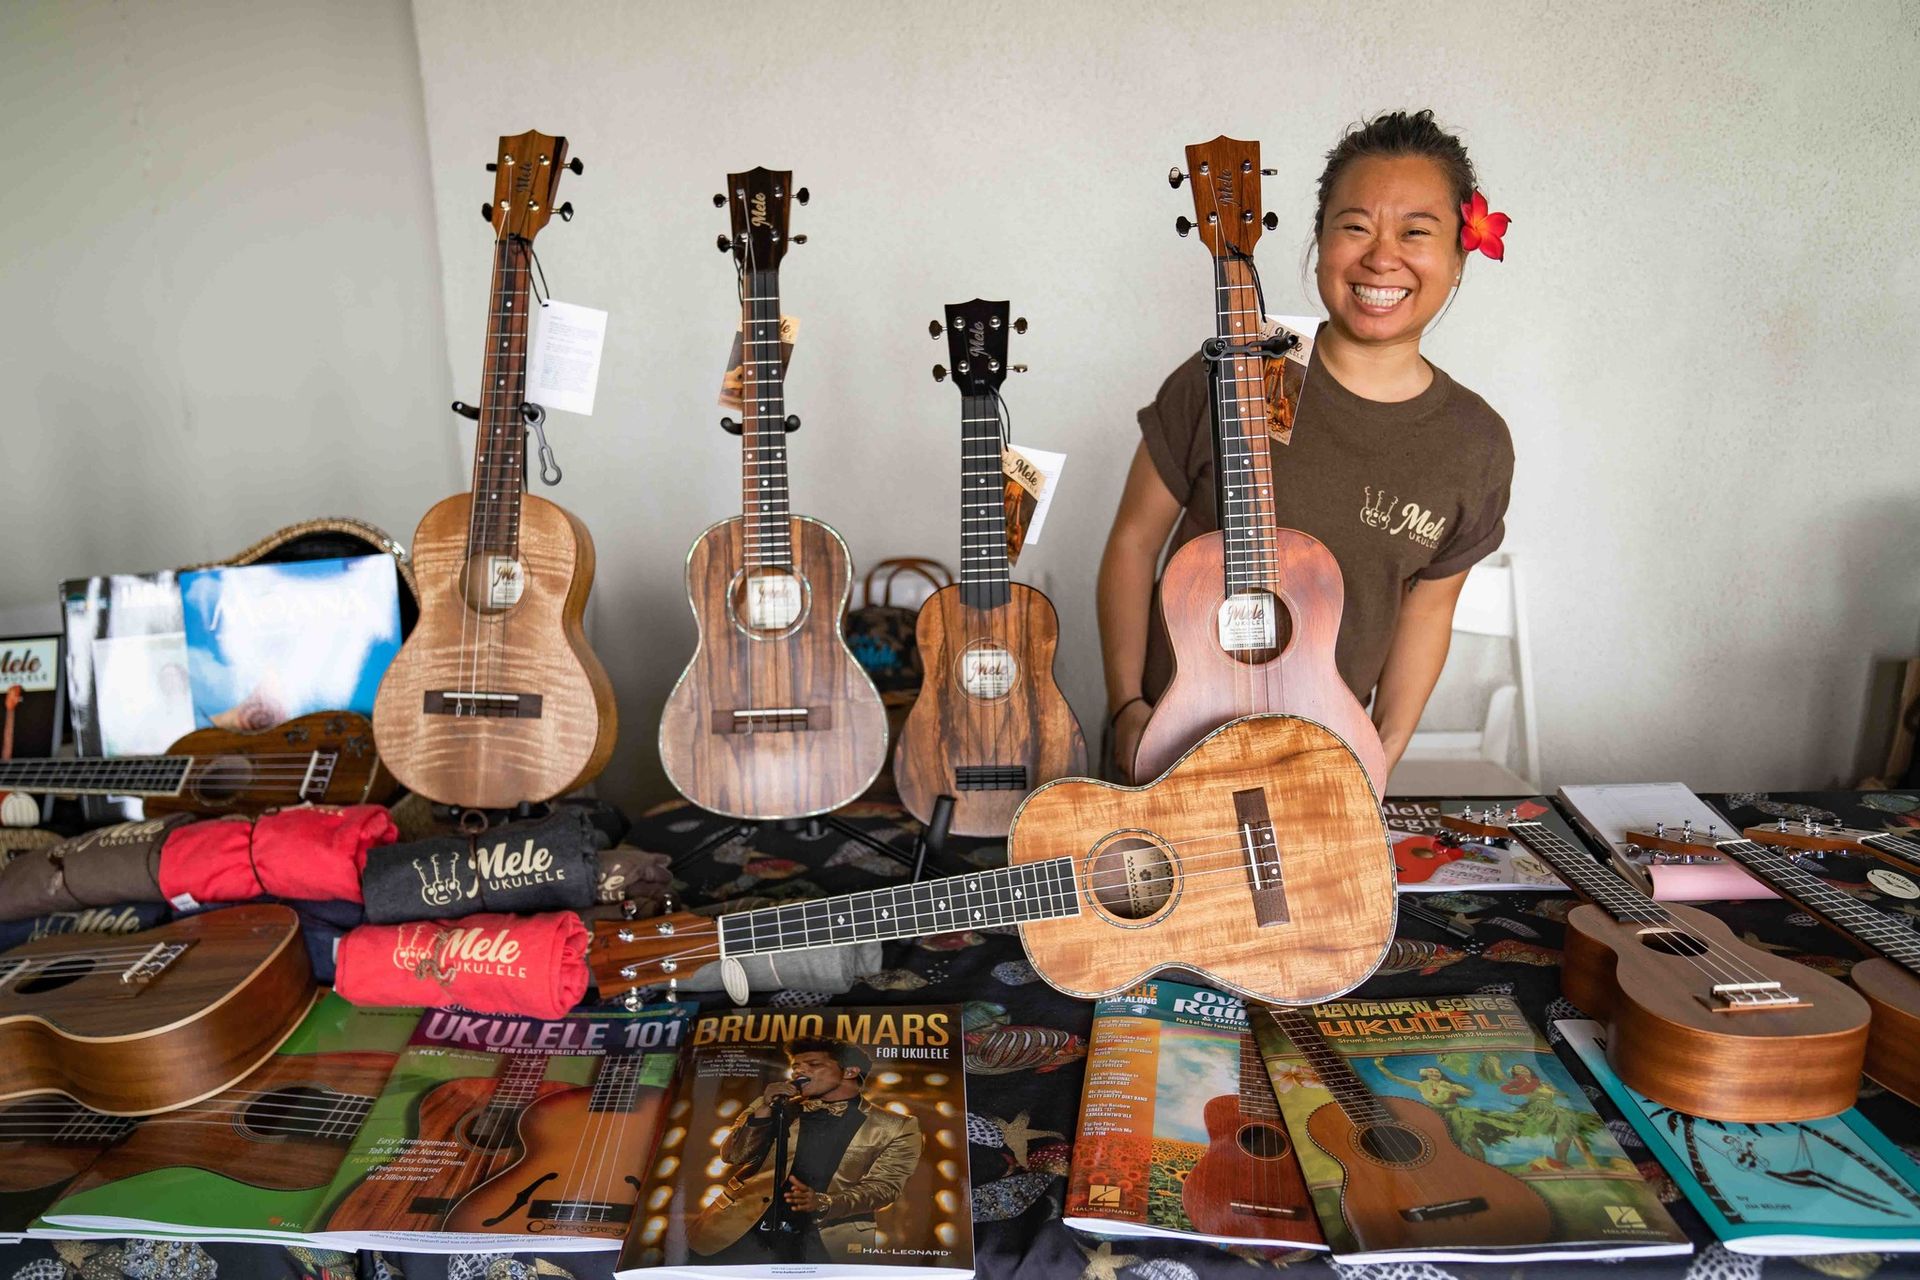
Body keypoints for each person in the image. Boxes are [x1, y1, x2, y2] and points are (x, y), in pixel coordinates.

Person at [1098, 109, 1514, 780]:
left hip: (1318, 770)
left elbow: (1430, 608)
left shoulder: (1475, 442)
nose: (1382, 257)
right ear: (1319, 241)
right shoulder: (1233, 373)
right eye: (1356, 227)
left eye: (1415, 231)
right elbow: (1132, 541)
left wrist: (1382, 752)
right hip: (1169, 751)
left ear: (1459, 256)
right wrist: (1126, 709)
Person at [701, 1036, 923, 1263]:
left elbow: (884, 1188)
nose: (799, 1071)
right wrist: (765, 1110)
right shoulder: (771, 1104)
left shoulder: (896, 1126)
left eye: (813, 1064)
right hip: (741, 1230)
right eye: (796, 1066)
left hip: (827, 1239)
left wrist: (824, 1203)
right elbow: (733, 1155)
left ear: (849, 1071)